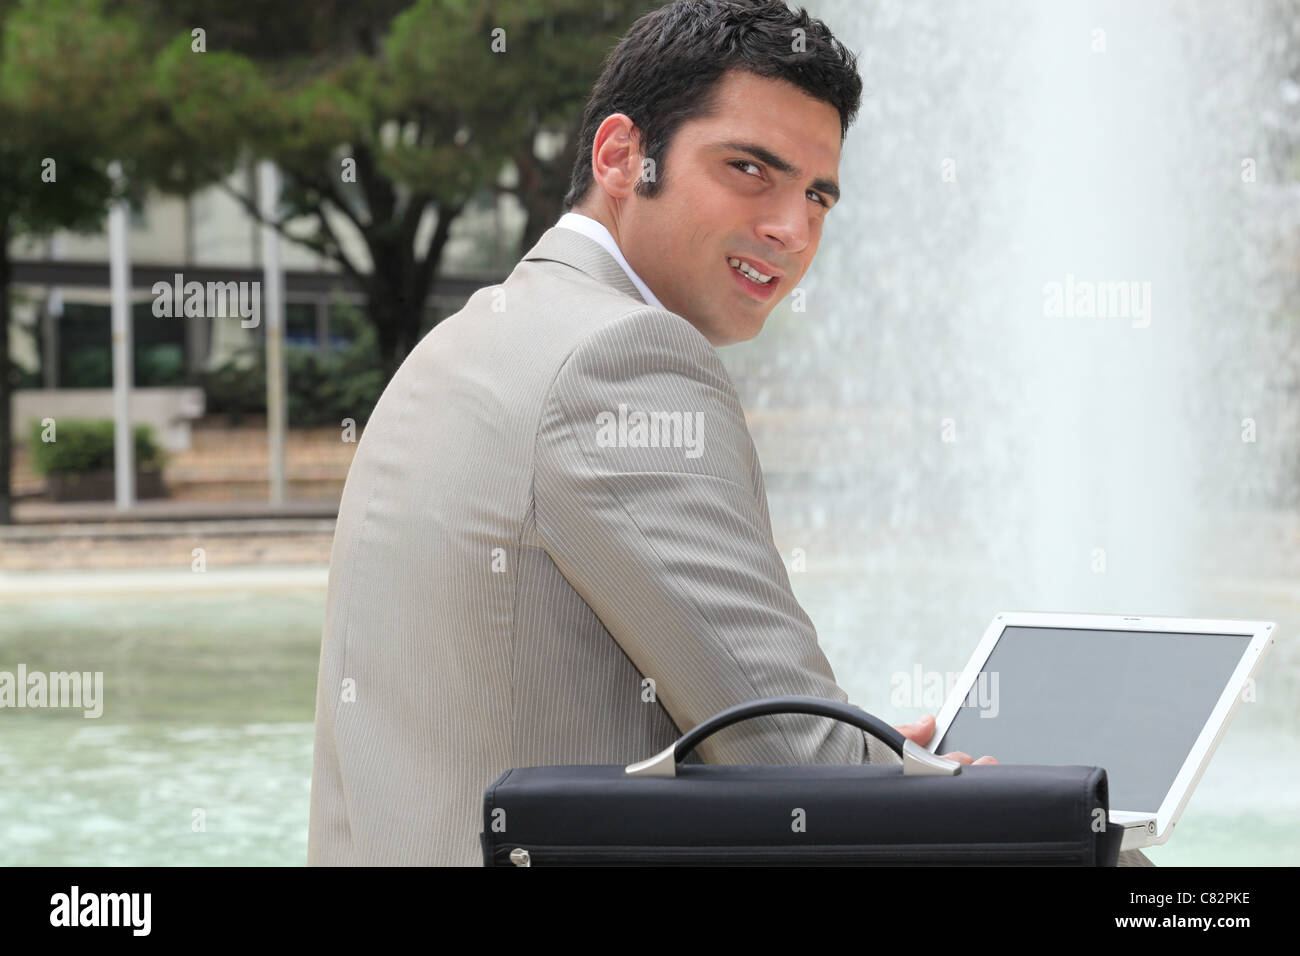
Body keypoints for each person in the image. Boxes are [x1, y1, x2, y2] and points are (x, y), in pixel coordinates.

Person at [308, 0, 1150, 867]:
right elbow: (797, 764)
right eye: (750, 168)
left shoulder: (461, 342)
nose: (793, 229)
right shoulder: (622, 358)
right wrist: (1012, 814)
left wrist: (871, 760)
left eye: (818, 195)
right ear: (622, 156)